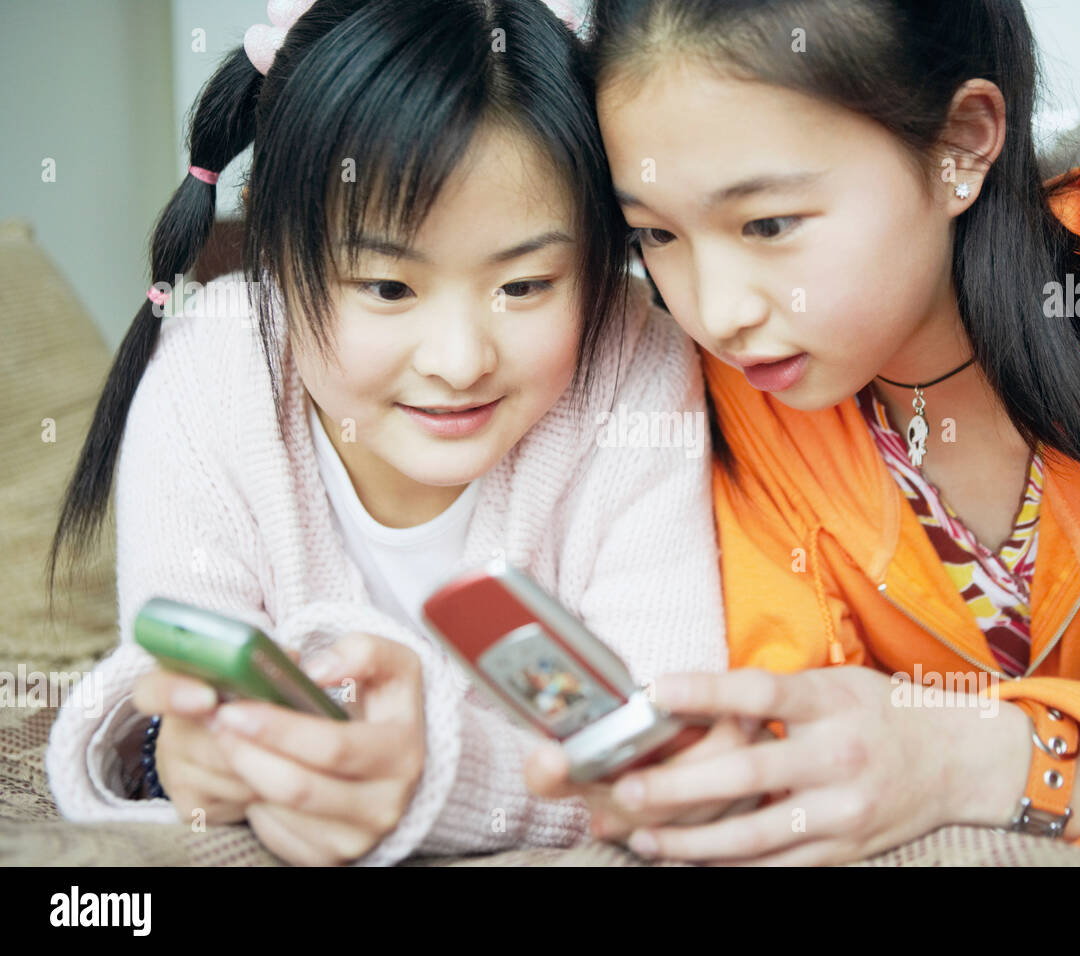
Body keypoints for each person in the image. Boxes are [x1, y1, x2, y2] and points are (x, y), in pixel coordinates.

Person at [526, 0, 1080, 864]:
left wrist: (972, 758)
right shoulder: (727, 383)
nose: (716, 312)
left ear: (960, 144)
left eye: (769, 224)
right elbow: (788, 713)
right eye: (656, 235)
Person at [43, 0, 731, 866]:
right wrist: (173, 755)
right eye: (387, 287)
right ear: (275, 243)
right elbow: (175, 677)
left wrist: (433, 776)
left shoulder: (635, 367)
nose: (457, 361)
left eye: (524, 286)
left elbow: (661, 750)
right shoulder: (211, 366)